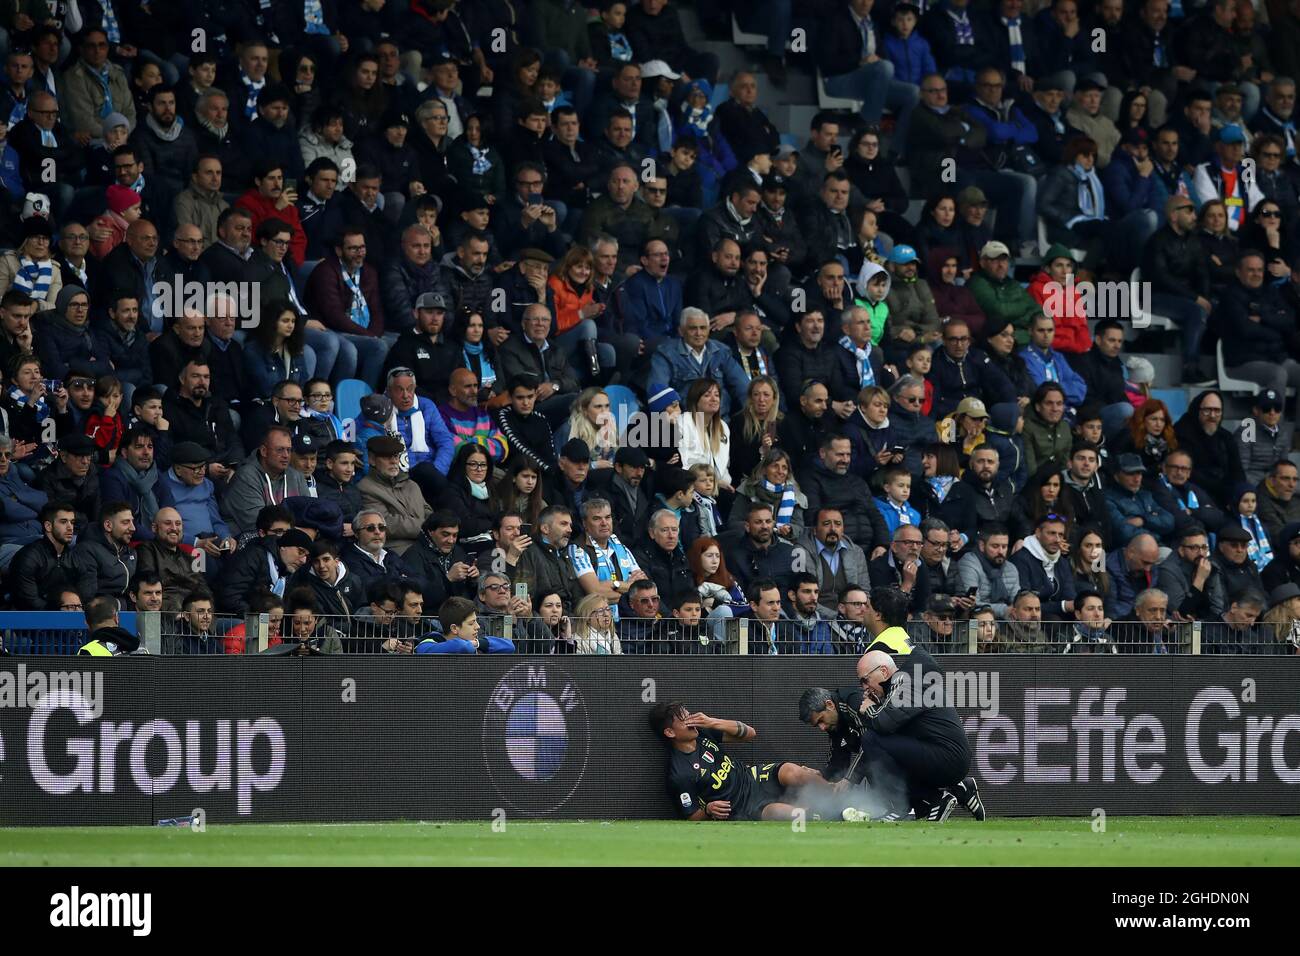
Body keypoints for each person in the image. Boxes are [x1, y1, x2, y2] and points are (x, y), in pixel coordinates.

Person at [649, 700, 831, 822]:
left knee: (792, 771)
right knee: (781, 812)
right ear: (670, 732)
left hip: (751, 777)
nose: (692, 721)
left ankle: (836, 793)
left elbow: (750, 733)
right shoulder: (679, 773)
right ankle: (822, 815)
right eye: (685, 720)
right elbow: (690, 815)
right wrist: (708, 810)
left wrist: (712, 722)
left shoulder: (703, 732)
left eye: (690, 715)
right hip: (742, 806)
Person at [955, 524, 1020, 619]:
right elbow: (972, 603)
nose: (1001, 551)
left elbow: (1017, 602)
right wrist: (1005, 610)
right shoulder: (969, 563)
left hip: (1008, 621)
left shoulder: (1011, 568)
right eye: (995, 546)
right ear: (982, 545)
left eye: (1004, 546)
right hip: (977, 620)